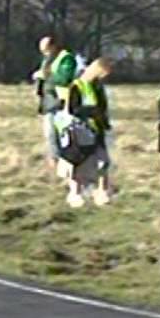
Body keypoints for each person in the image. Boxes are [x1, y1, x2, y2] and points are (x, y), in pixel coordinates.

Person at [57, 57, 115, 207]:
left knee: (103, 163)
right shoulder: (76, 86)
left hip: (97, 130)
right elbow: (73, 109)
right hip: (80, 131)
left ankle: (102, 192)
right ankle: (75, 194)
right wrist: (92, 112)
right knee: (77, 163)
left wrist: (104, 122)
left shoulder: (98, 87)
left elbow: (103, 107)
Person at [33, 36, 78, 173]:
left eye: (46, 50)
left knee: (58, 135)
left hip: (62, 102)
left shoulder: (67, 58)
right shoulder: (49, 59)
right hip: (49, 102)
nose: (45, 53)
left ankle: (62, 163)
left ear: (53, 46)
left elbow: (64, 78)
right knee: (50, 135)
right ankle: (56, 162)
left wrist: (44, 76)